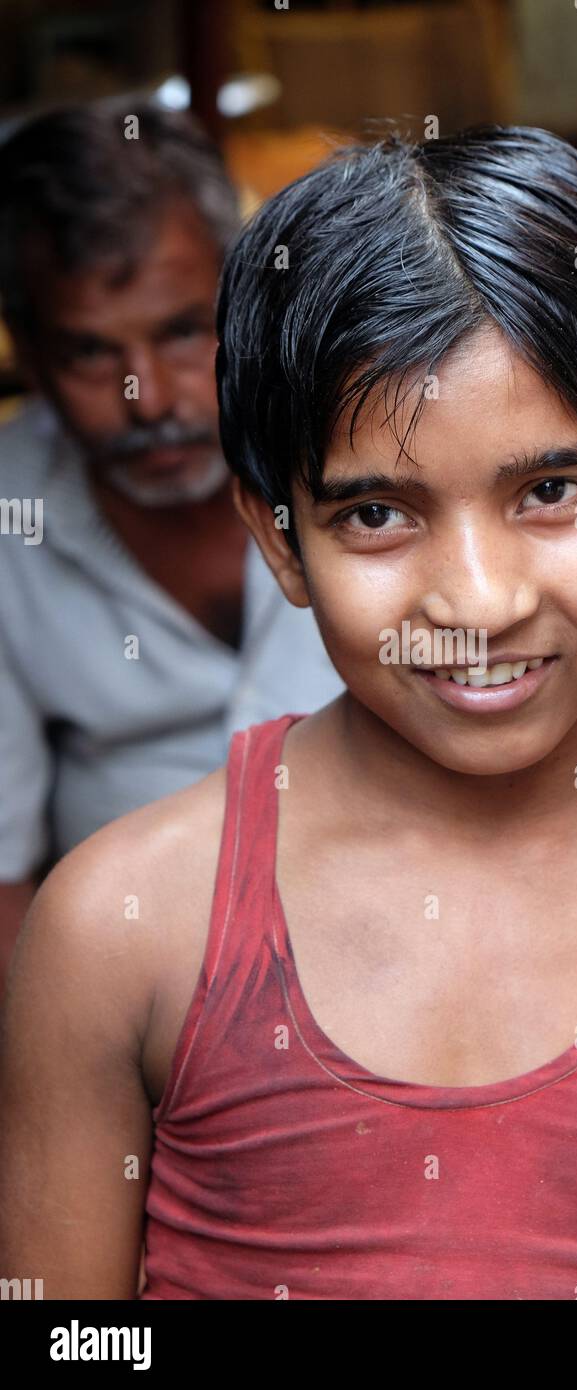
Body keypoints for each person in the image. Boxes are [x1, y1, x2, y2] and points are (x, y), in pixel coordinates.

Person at [2, 125, 577, 1301]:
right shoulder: (114, 933)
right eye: (375, 516)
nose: (478, 599)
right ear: (280, 539)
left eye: (549, 490)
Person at [0, 101, 344, 985]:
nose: (147, 399)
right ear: (28, 359)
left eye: (184, 332)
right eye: (88, 354)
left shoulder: (365, 443)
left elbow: (576, 726)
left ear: (243, 300)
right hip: (138, 985)